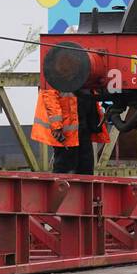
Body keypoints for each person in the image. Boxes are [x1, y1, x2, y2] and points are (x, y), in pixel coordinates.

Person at [31, 29, 110, 174]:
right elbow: (50, 98)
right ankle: (63, 195)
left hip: (82, 127)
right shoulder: (57, 69)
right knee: (65, 167)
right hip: (66, 130)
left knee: (85, 166)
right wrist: (57, 127)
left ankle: (84, 195)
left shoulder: (83, 68)